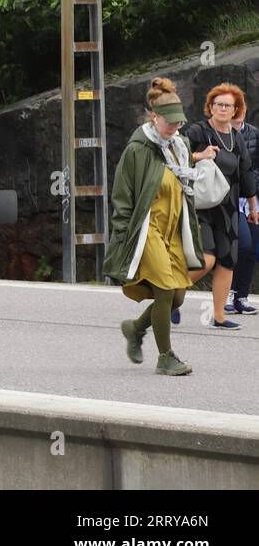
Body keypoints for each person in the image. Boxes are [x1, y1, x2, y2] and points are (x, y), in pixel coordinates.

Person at [103, 78, 204, 375]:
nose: (174, 128)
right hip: (146, 228)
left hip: (172, 226)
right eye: (169, 122)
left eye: (178, 122)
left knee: (178, 295)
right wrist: (121, 236)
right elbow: (122, 197)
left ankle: (135, 329)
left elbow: (184, 185)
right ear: (153, 116)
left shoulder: (180, 145)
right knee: (163, 289)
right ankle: (166, 357)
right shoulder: (138, 149)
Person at [184, 83, 259, 329]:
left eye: (227, 105)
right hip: (202, 206)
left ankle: (219, 316)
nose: (222, 109)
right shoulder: (197, 131)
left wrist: (253, 206)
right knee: (206, 258)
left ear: (236, 109)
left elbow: (246, 173)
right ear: (211, 107)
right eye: (218, 104)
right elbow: (173, 154)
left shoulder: (236, 137)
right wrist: (199, 156)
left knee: (227, 260)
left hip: (229, 207)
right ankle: (171, 295)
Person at [230, 108, 259, 315]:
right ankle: (229, 293)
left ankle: (241, 295)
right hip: (227, 198)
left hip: (252, 197)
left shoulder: (254, 134)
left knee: (250, 249)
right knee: (237, 246)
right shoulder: (213, 134)